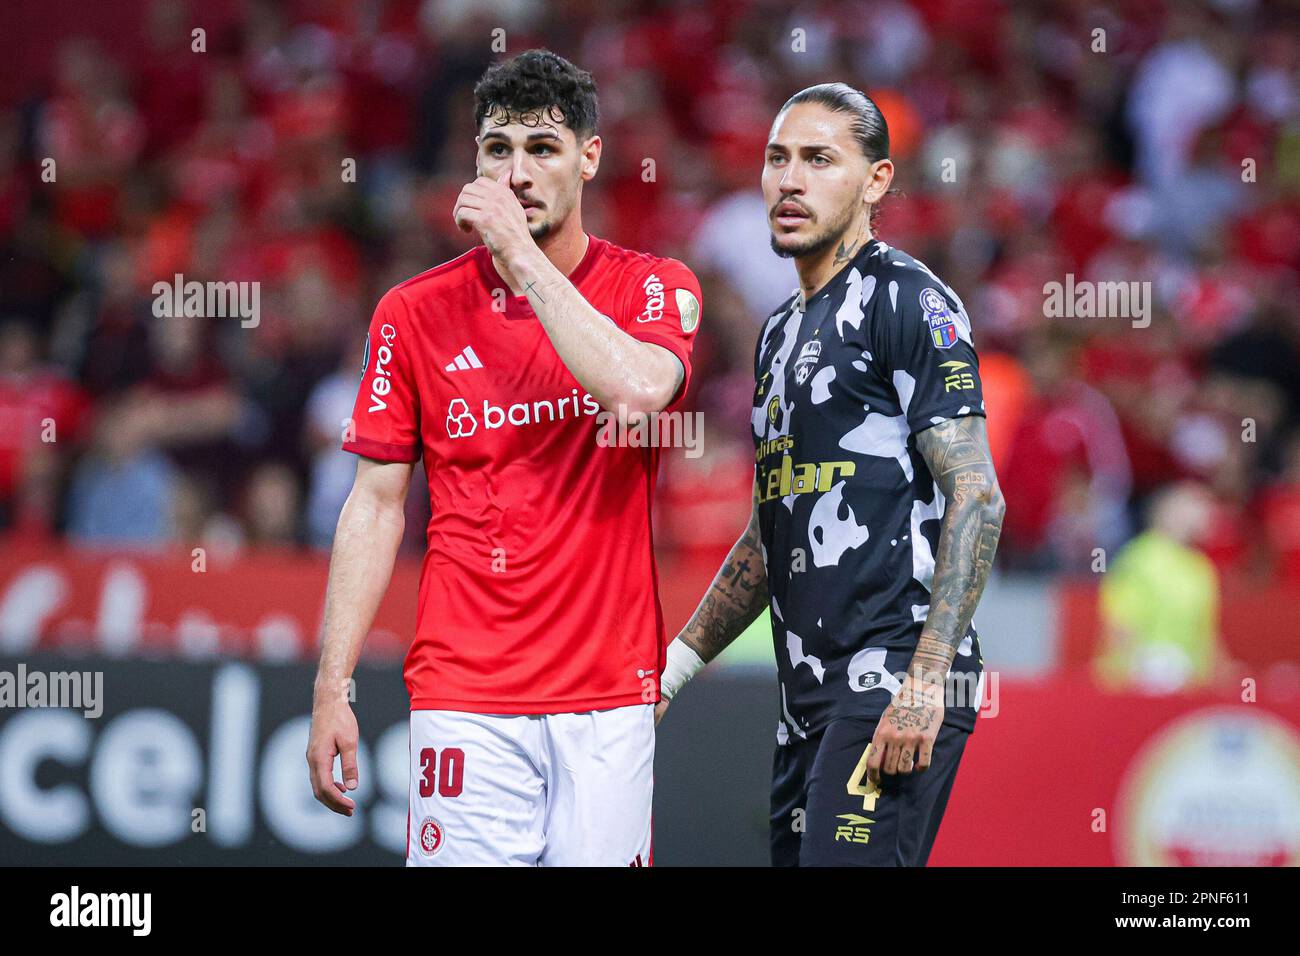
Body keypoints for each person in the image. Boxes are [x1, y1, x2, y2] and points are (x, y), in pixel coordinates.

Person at [305, 50, 702, 866]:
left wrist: (520, 259)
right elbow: (375, 504)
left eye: (543, 148)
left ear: (590, 157)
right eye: (497, 149)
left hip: (606, 695)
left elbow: (635, 391)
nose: (516, 171)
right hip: (465, 691)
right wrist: (331, 684)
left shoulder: (652, 287)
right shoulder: (412, 313)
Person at [657, 84, 1004, 866]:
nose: (790, 180)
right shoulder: (777, 334)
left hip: (893, 676)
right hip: (805, 698)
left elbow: (977, 493)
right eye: (778, 159)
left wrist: (925, 681)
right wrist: (670, 672)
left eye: (819, 160)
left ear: (876, 180)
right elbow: (769, 531)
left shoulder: (910, 301)